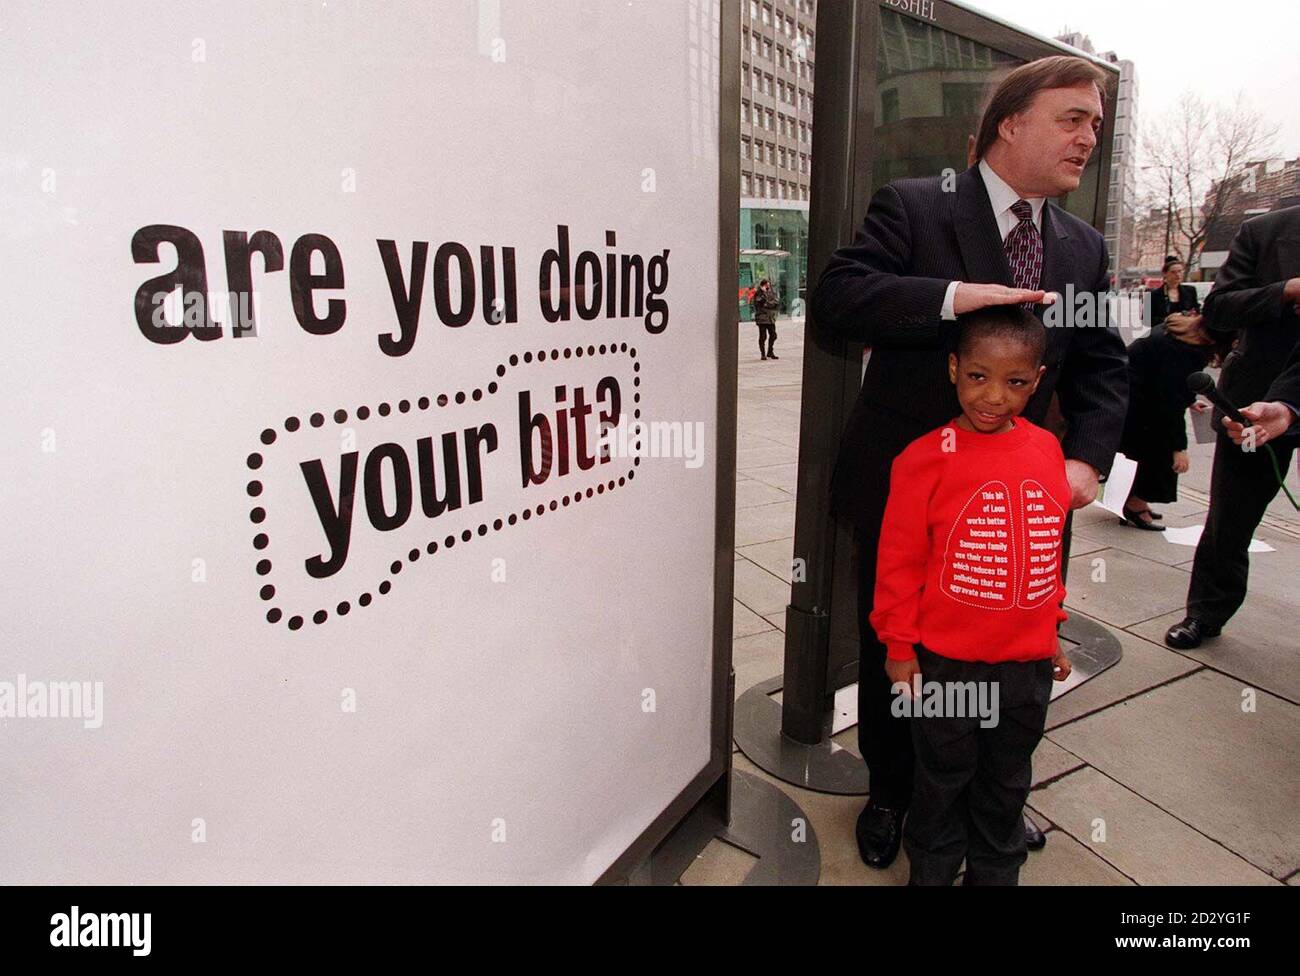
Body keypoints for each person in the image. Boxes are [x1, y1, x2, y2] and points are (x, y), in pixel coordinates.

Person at [812, 55, 1128, 869]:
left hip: (1024, 509)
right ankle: (895, 796)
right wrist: (953, 298)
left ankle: (988, 799)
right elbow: (842, 294)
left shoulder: (1084, 249)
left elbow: (1101, 366)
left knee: (1010, 660)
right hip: (911, 495)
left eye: (1096, 123)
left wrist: (1086, 462)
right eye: (1073, 117)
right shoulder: (918, 206)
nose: (1089, 136)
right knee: (903, 649)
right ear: (1011, 122)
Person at [873, 307, 1073, 885]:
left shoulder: (1045, 450)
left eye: (1015, 383)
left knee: (1007, 781)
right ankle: (932, 872)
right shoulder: (924, 458)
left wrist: (1051, 631)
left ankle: (995, 871)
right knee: (941, 779)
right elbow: (899, 563)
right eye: (978, 377)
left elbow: (1044, 553)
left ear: (1036, 381)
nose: (994, 397)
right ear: (954, 369)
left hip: (1026, 669)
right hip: (947, 666)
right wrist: (899, 647)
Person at [1164, 206, 1300, 650]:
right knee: (1230, 518)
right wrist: (1285, 291)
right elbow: (1219, 310)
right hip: (1255, 401)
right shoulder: (1262, 232)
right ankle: (1205, 612)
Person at [1117, 258, 1215, 530]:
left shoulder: (1179, 333)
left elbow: (1173, 388)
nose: (1177, 275)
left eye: (1180, 272)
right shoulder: (1181, 349)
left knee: (1145, 445)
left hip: (1139, 392)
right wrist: (1179, 449)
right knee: (1154, 446)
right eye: (1173, 271)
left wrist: (1189, 398)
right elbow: (1169, 404)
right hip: (1138, 399)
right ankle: (1134, 504)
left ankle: (1135, 501)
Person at [751, 278, 781, 360]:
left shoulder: (771, 292)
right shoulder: (758, 293)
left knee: (773, 335)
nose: (768, 286)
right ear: (763, 285)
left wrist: (768, 304)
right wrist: (764, 295)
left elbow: (776, 302)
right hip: (762, 318)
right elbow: (759, 303)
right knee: (763, 337)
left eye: (768, 285)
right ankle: (763, 354)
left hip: (770, 318)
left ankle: (770, 352)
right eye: (767, 285)